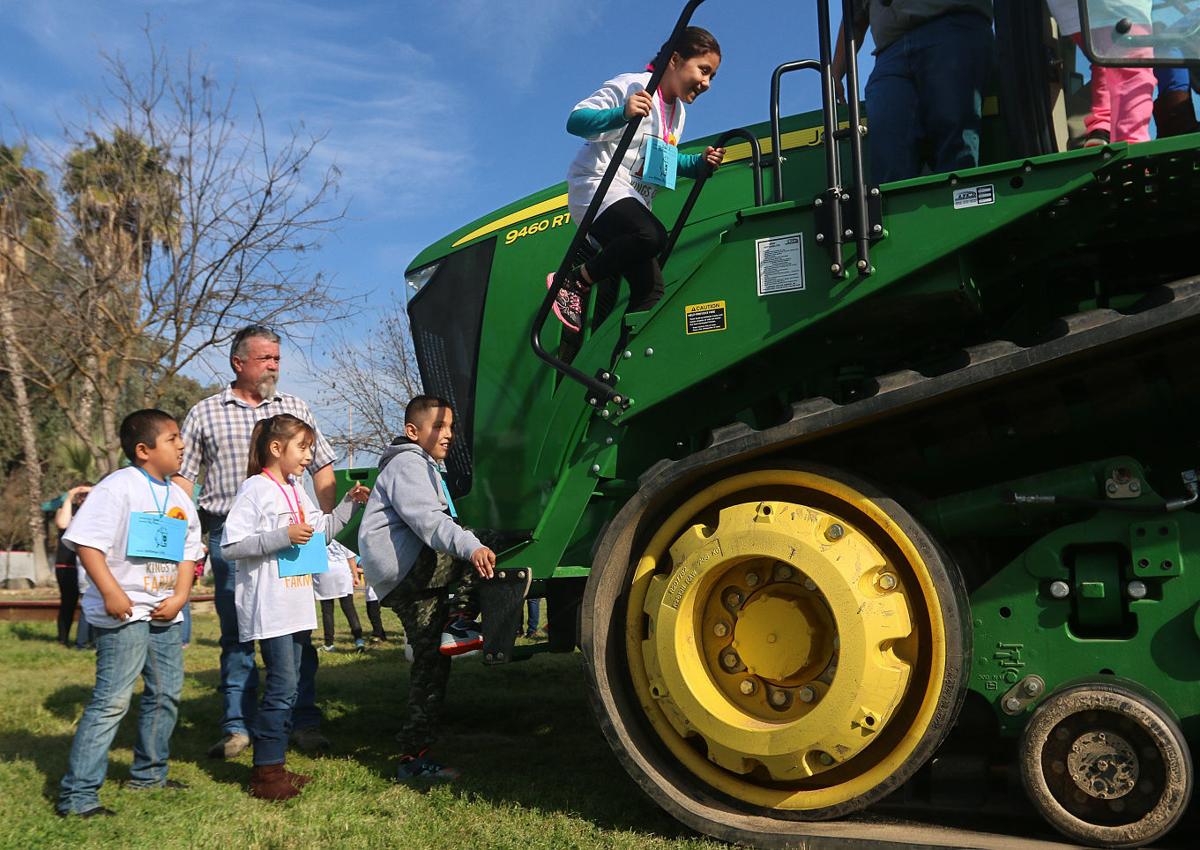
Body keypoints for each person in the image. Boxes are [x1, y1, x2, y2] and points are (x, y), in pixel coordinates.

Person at [174, 324, 339, 760]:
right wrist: (179, 543)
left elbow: (322, 467)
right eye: (265, 358)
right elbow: (182, 481)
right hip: (234, 536)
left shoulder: (295, 407)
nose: (273, 365)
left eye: (277, 358)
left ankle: (302, 721)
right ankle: (237, 727)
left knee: (299, 633)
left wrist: (323, 528)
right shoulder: (206, 412)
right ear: (238, 362)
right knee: (239, 635)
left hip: (295, 538)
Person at [56, 410, 202, 817]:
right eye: (172, 438)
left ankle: (149, 775)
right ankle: (79, 795)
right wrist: (112, 593)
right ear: (143, 450)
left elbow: (189, 553)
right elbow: (85, 543)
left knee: (166, 694)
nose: (182, 445)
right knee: (112, 701)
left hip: (166, 612)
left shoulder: (177, 496)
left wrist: (180, 596)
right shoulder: (118, 487)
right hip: (124, 615)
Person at [219, 414, 368, 800]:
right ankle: (266, 774)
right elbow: (231, 546)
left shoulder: (294, 489)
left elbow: (320, 532)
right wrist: (281, 536)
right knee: (282, 688)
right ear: (276, 448)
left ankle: (275, 765)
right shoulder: (255, 489)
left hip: (298, 604)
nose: (309, 457)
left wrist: (350, 506)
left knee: (293, 683)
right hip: (271, 609)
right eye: (302, 448)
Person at [359, 396, 497, 780]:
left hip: (406, 575)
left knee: (432, 662)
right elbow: (430, 523)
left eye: (450, 426)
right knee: (486, 537)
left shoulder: (422, 465)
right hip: (407, 573)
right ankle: (460, 619)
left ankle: (413, 757)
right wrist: (474, 547)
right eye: (438, 426)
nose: (448, 434)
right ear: (412, 431)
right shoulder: (408, 464)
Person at [552, 27, 726, 332]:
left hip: (632, 199)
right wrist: (621, 113)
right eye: (703, 70)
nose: (706, 83)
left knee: (651, 291)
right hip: (597, 186)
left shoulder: (678, 114)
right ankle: (575, 279)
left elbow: (660, 161)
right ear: (675, 59)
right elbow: (575, 120)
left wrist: (698, 164)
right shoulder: (634, 84)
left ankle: (612, 370)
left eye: (712, 76)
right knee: (652, 235)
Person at [832, 1, 994, 183]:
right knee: (889, 152)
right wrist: (836, 72)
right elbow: (854, 17)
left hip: (952, 27)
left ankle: (960, 204)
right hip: (889, 53)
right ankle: (893, 208)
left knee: (955, 140)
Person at [1046, 0, 1156, 145]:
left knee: (1105, 61)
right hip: (1116, 6)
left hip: (1071, 8)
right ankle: (1131, 143)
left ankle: (1103, 128)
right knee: (1134, 67)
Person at [53, 484, 92, 647]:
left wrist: (94, 492)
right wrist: (69, 497)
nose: (83, 498)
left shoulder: (96, 513)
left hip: (86, 564)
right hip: (66, 564)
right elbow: (62, 524)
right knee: (68, 602)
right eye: (81, 495)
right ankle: (63, 638)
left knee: (88, 602)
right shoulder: (68, 510)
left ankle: (85, 639)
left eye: (86, 495)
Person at [315, 539, 366, 652]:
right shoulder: (342, 534)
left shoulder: (318, 533)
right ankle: (359, 640)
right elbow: (350, 557)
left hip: (324, 573)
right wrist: (355, 576)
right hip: (342, 573)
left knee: (327, 611)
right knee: (349, 608)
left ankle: (329, 643)